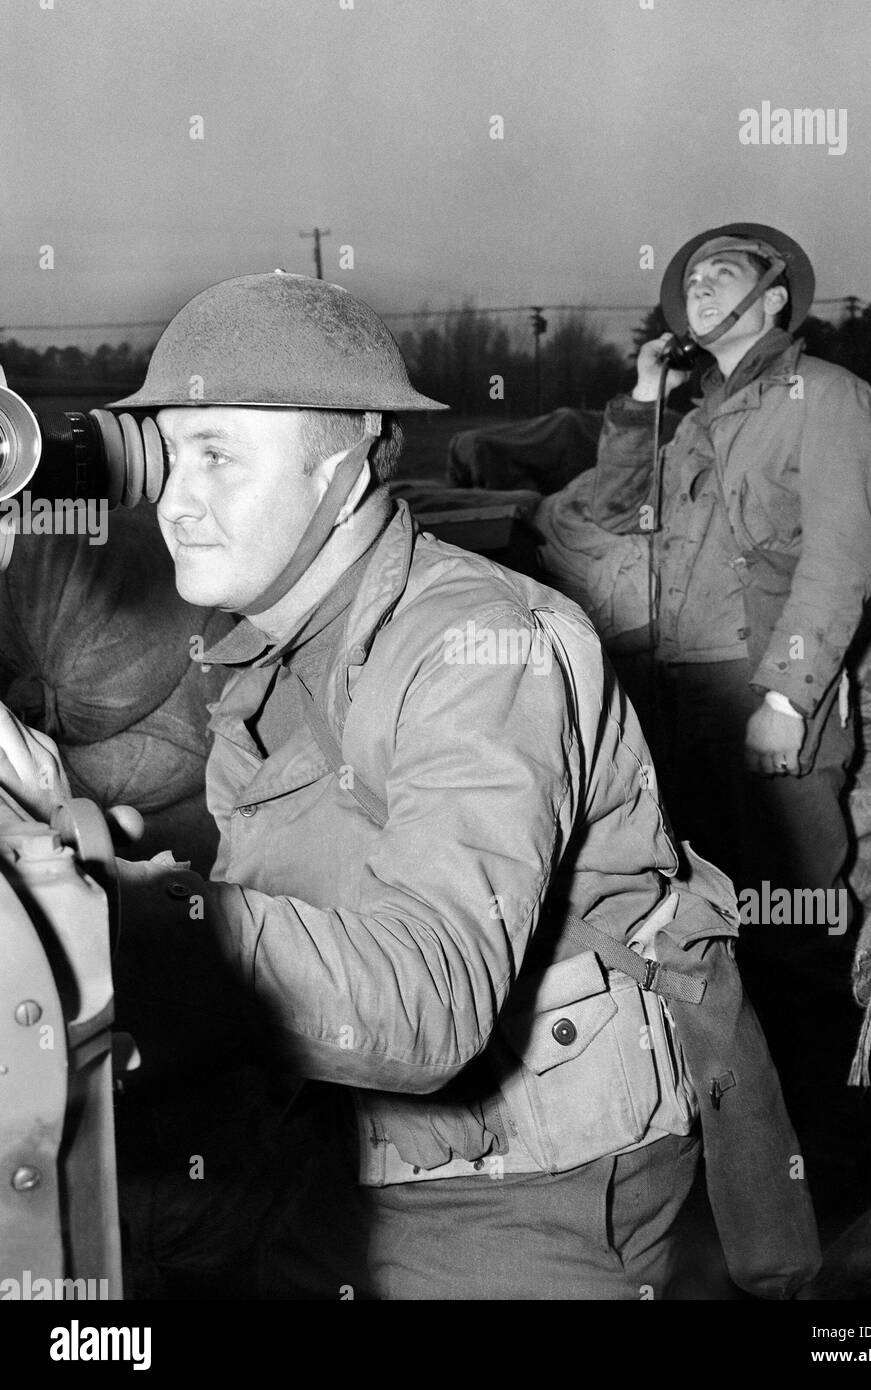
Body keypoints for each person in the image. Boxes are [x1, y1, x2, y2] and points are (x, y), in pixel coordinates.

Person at [0, 272, 816, 1300]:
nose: (178, 497)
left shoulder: (480, 646)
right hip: (350, 1130)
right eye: (169, 452)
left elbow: (428, 1000)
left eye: (220, 455)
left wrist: (127, 919)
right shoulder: (273, 642)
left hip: (523, 1178)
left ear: (343, 477)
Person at [589, 224, 871, 1182]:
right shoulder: (690, 416)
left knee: (798, 939)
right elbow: (606, 512)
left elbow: (842, 558)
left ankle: (842, 1178)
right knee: (710, 939)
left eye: (726, 269)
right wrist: (639, 405)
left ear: (774, 299)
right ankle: (756, 1174)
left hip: (768, 702)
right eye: (692, 273)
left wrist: (789, 699)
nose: (700, 281)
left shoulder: (830, 399)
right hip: (681, 705)